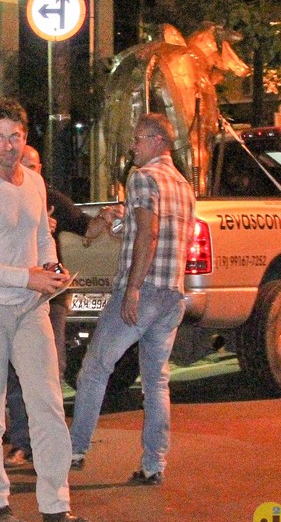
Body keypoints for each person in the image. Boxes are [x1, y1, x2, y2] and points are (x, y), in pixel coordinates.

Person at [0, 98, 89, 522]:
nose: (8, 145)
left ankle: (56, 506)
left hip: (31, 309)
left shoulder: (35, 184)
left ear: (25, 137)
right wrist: (24, 278)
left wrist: (51, 270)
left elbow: (43, 240)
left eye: (15, 136)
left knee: (46, 402)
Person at [69, 113, 196, 485]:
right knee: (156, 380)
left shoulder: (143, 178)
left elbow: (149, 235)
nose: (133, 147)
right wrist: (119, 222)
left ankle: (75, 449)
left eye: (139, 139)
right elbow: (151, 230)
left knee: (95, 368)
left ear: (158, 140)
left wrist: (135, 288)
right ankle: (154, 463)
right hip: (173, 292)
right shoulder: (184, 187)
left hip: (144, 290)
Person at [3, 145, 90, 464]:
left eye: (35, 166)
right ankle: (22, 442)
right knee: (15, 371)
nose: (29, 171)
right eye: (23, 165)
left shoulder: (50, 198)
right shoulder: (1, 195)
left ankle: (50, 442)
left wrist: (111, 219)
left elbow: (84, 224)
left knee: (52, 367)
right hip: (15, 295)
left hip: (51, 297)